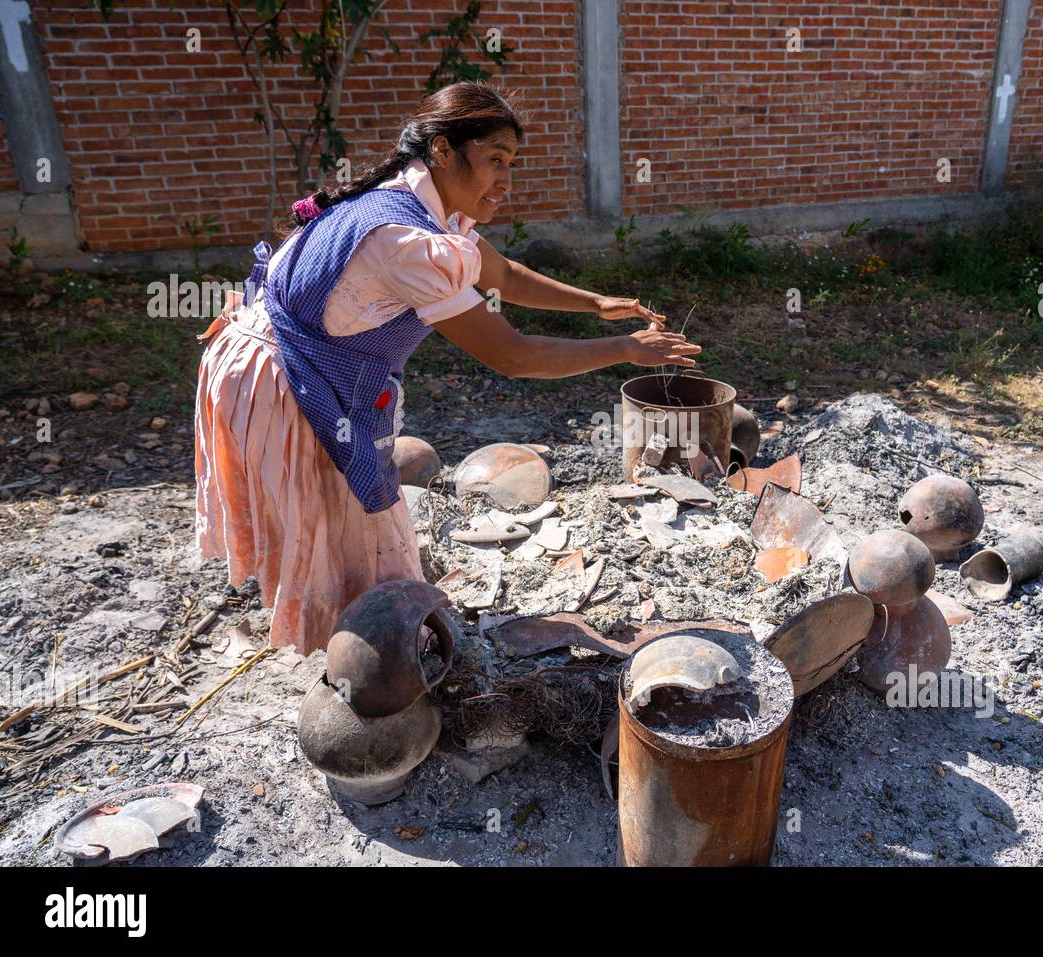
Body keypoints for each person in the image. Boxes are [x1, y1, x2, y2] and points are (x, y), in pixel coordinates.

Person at [194, 82, 699, 654]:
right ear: (441, 150)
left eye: (512, 163)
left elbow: (502, 276)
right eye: (494, 161)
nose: (507, 181)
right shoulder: (409, 244)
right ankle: (365, 656)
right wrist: (626, 350)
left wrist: (596, 304)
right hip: (276, 376)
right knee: (342, 519)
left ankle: (364, 634)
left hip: (280, 355)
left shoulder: (417, 206)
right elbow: (513, 354)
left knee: (345, 516)